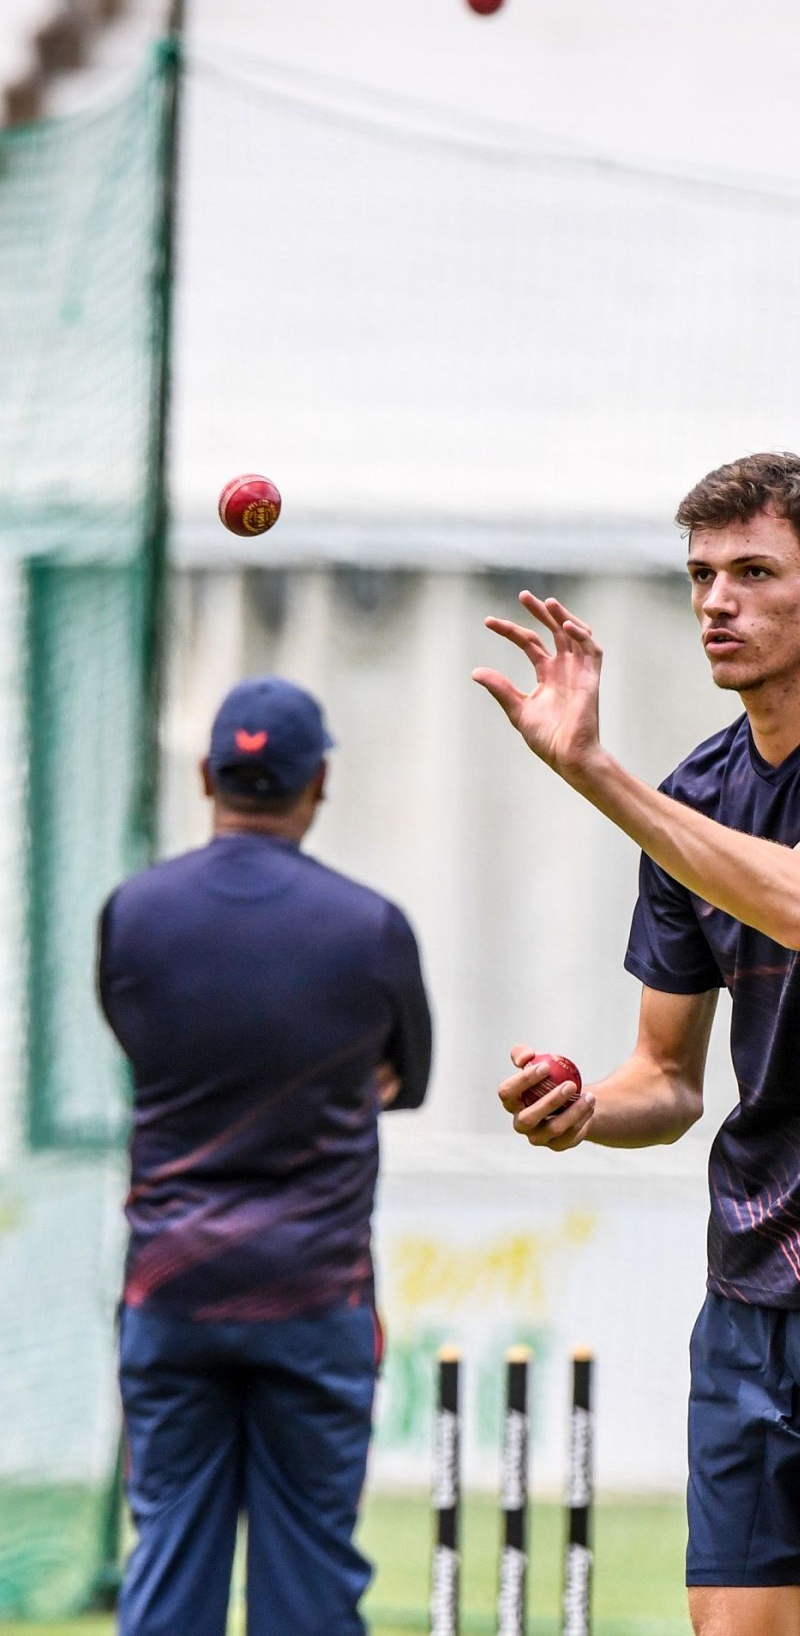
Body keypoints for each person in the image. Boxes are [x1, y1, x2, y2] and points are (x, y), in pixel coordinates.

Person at [475, 453, 800, 1636]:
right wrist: (585, 1111)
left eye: (754, 572)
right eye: (702, 574)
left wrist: (595, 773)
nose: (718, 600)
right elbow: (663, 1081)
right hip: (753, 1292)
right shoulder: (692, 794)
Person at [97, 676, 432, 1636]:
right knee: (309, 1581)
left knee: (168, 1560)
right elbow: (407, 1078)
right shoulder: (368, 925)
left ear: (208, 773)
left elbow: (140, 1040)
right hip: (313, 1295)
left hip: (171, 1290)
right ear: (317, 781)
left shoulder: (135, 913)